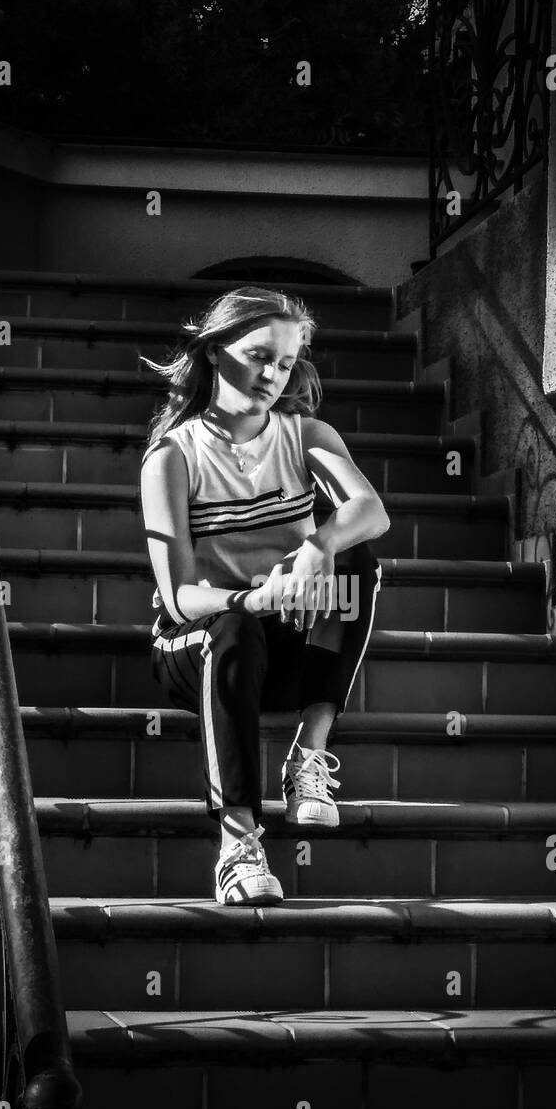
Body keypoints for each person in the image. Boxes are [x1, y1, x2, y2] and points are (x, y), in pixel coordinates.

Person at [139, 285, 390, 905]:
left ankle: (309, 757)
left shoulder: (306, 434)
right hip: (197, 645)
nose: (273, 375)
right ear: (216, 351)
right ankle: (238, 844)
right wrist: (248, 601)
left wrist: (316, 546)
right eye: (258, 356)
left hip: (282, 651)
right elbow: (178, 598)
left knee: (357, 556)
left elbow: (371, 510)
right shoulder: (173, 458)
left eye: (284, 362)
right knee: (235, 627)